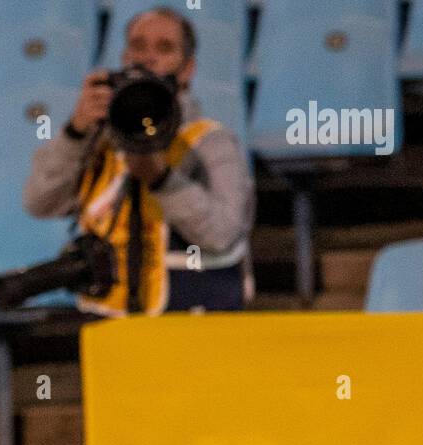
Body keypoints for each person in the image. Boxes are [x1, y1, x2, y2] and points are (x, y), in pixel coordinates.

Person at [23, 6, 254, 313]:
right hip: (107, 324)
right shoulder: (99, 137)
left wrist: (162, 179)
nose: (147, 58)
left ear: (187, 69)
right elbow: (38, 203)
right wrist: (75, 133)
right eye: (138, 46)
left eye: (164, 48)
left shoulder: (210, 141)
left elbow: (224, 234)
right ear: (123, 58)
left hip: (187, 323)